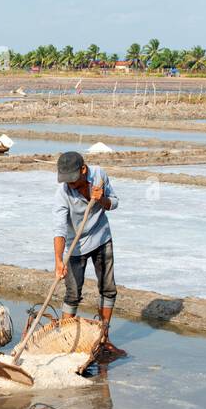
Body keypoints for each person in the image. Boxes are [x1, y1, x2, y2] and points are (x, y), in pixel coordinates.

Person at [53, 150, 126, 358]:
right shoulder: (62, 194)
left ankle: (104, 338)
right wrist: (58, 260)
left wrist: (101, 199)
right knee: (73, 294)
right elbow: (59, 229)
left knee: (108, 289)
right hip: (75, 246)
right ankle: (65, 340)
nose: (70, 185)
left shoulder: (99, 176)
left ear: (83, 170)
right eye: (67, 181)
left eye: (74, 181)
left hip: (101, 237)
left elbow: (114, 203)